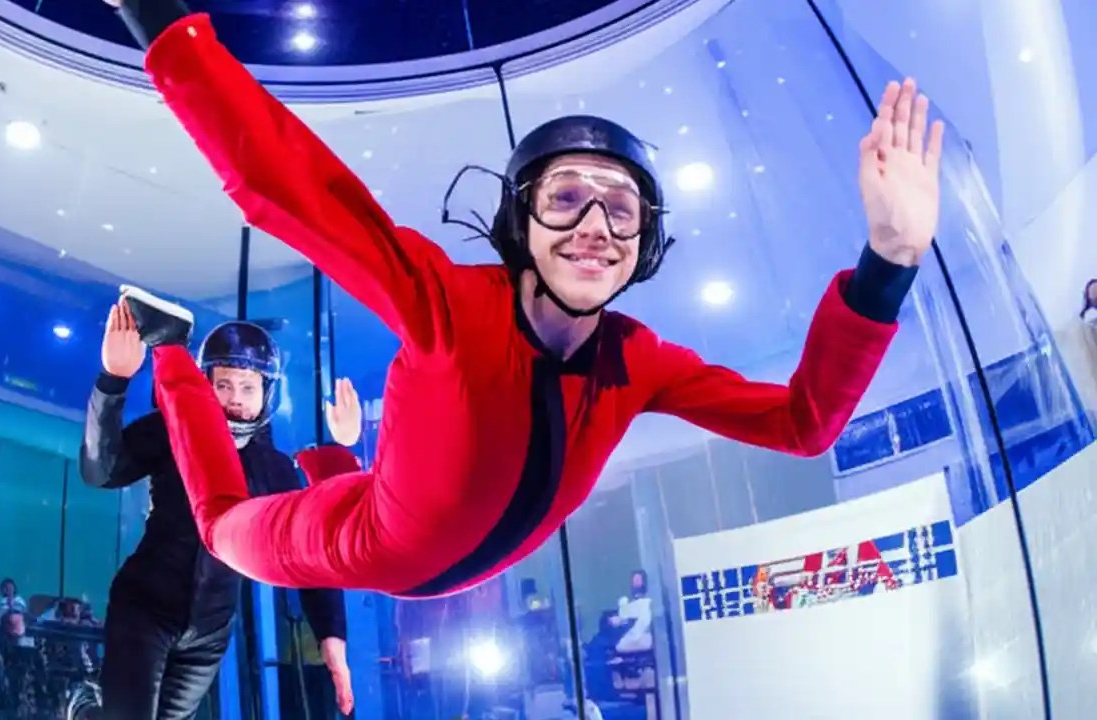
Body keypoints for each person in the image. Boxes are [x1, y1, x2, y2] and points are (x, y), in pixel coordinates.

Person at [99, 0, 943, 599]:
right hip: (359, 541)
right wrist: (159, 22)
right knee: (220, 525)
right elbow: (288, 186)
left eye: (623, 210)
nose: (595, 227)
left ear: (645, 245)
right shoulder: (449, 305)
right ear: (521, 221)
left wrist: (889, 261)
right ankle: (175, 354)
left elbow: (802, 422)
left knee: (341, 476)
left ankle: (336, 459)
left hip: (394, 516)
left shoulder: (638, 359)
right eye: (567, 196)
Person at [80, 307, 358, 718]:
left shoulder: (276, 470)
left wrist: (331, 635)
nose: (235, 400)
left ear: (268, 393)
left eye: (248, 387)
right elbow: (99, 472)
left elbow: (310, 554)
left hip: (209, 635)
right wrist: (113, 381)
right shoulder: (171, 429)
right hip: (144, 610)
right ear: (204, 384)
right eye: (223, 384)